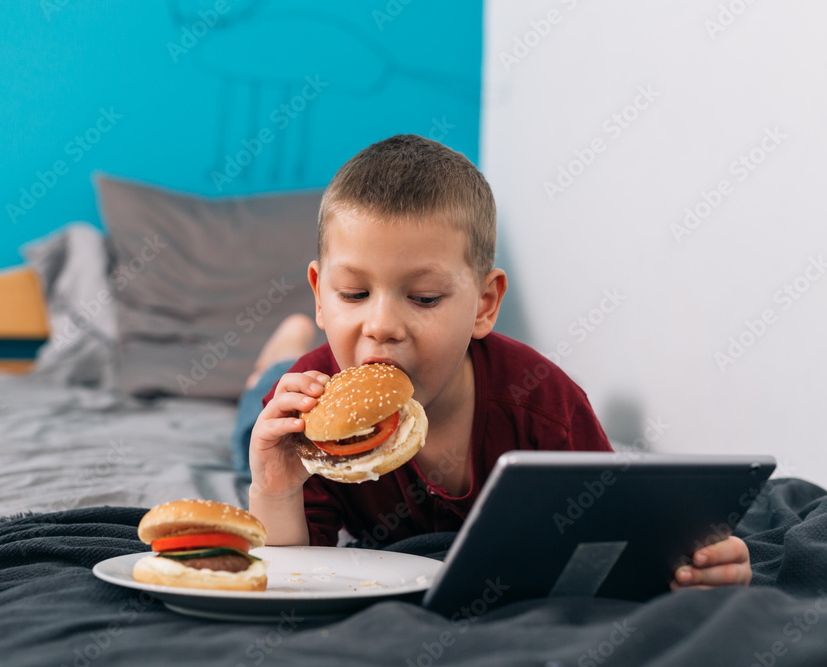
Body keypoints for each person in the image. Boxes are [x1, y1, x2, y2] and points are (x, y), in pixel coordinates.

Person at [242, 134, 752, 590]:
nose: (381, 326)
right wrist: (274, 487)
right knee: (251, 414)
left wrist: (692, 566)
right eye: (353, 294)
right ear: (319, 295)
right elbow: (292, 571)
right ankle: (279, 351)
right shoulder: (303, 409)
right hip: (283, 382)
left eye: (423, 298)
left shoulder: (543, 403)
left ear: (484, 305)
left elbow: (610, 536)